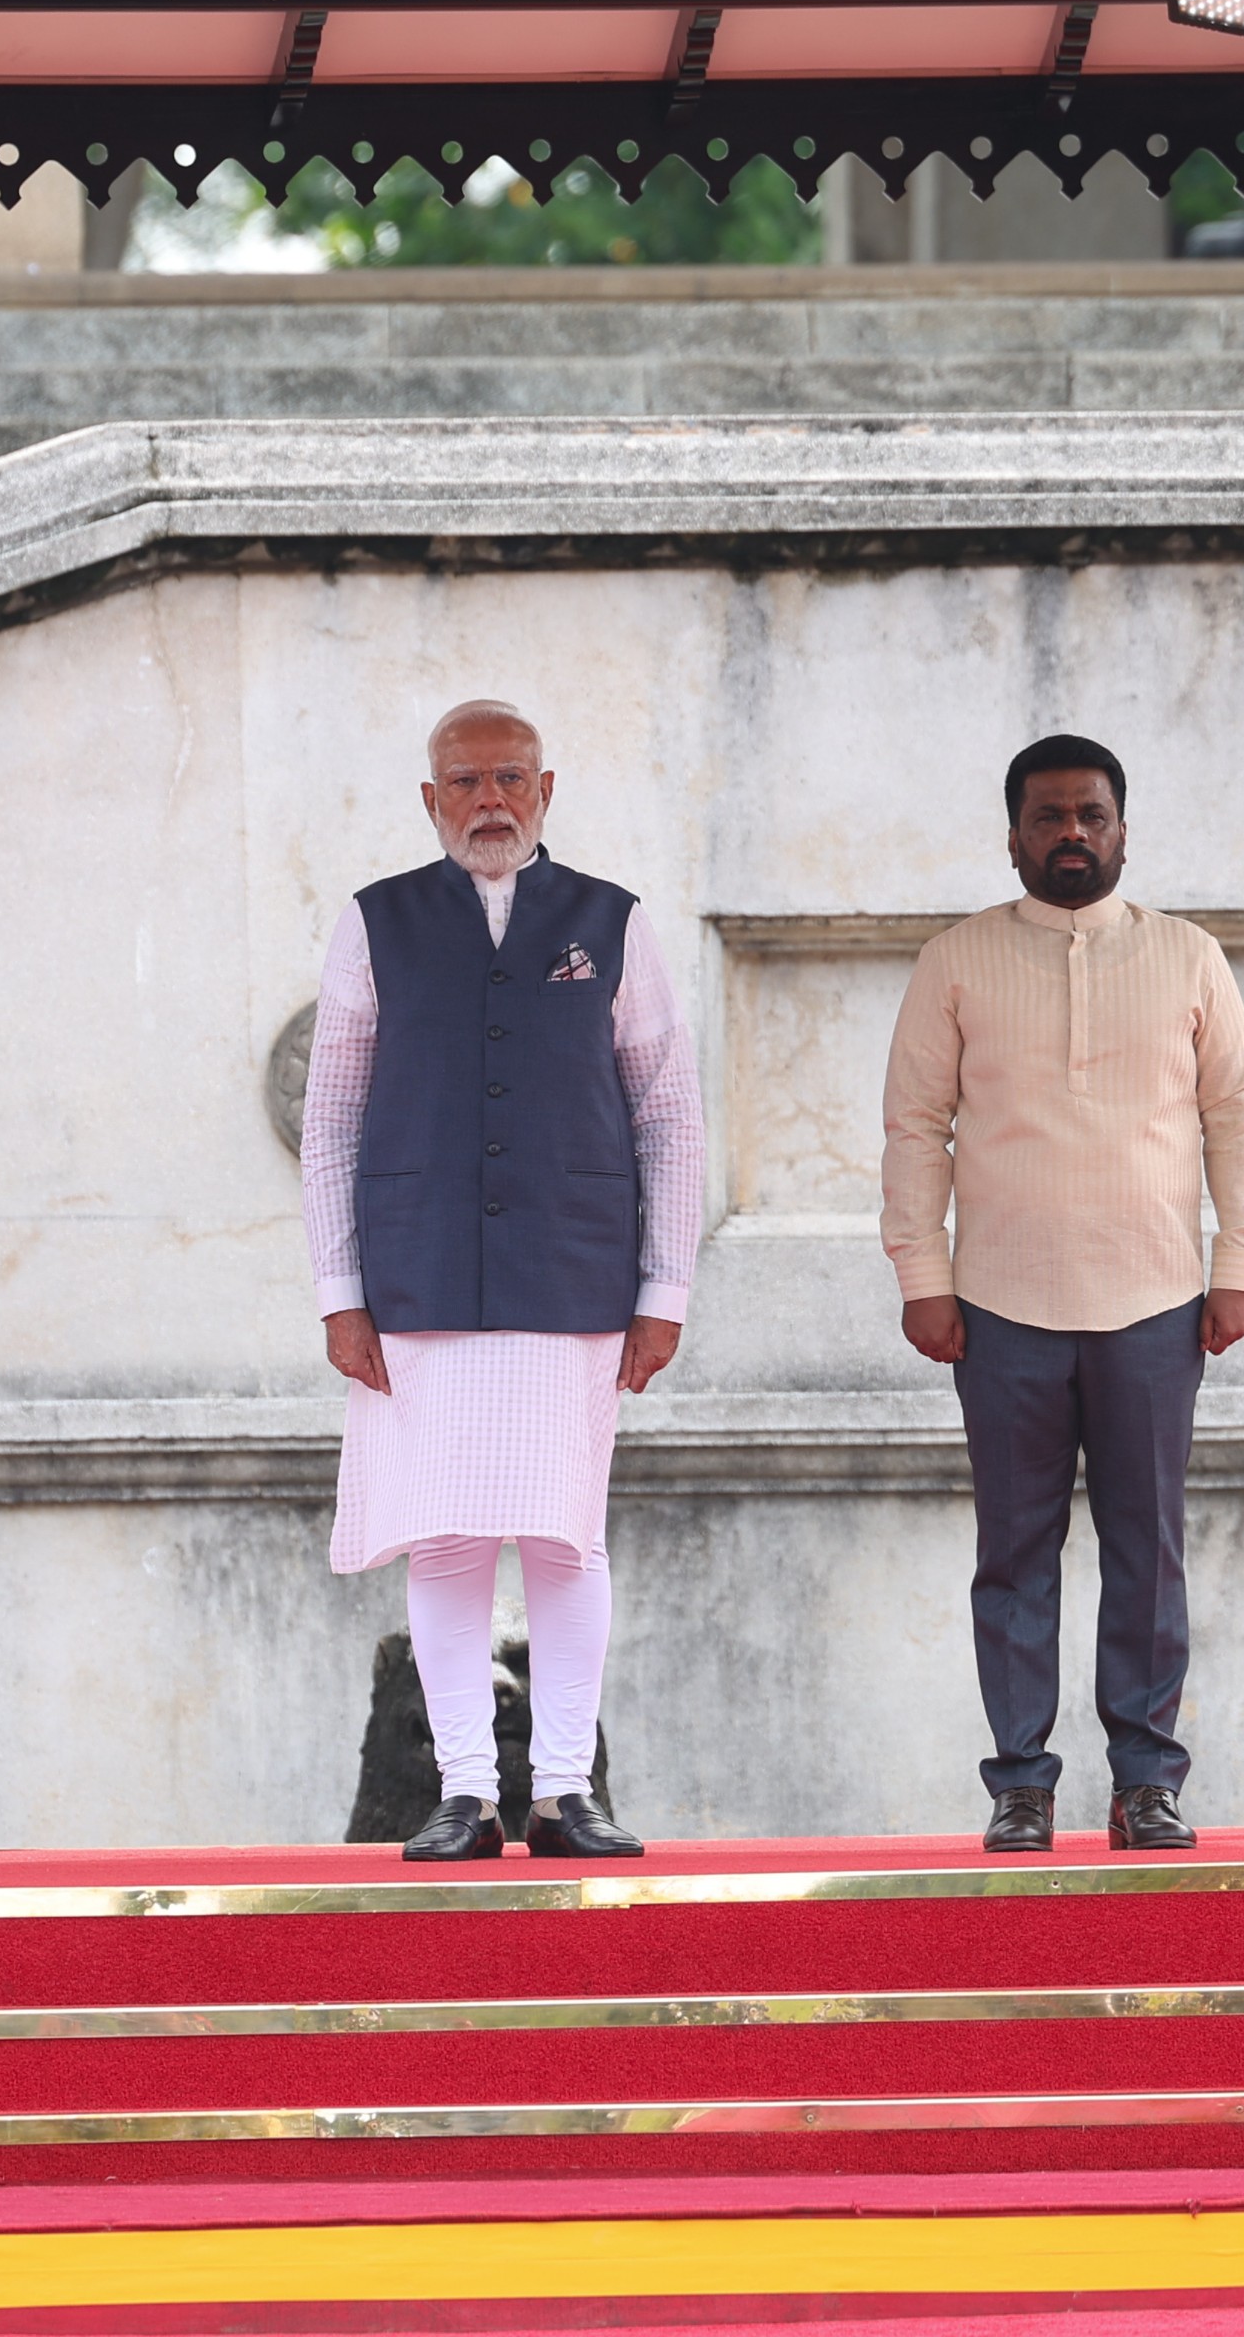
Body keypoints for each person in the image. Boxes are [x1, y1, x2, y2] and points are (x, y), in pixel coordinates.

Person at [301, 700, 704, 1864]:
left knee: (568, 1539)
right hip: (418, 1276)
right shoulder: (376, 922)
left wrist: (664, 1289)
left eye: (511, 778)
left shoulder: (610, 922)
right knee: (444, 1540)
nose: (491, 800)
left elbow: (669, 1112)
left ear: (545, 789)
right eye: (467, 781)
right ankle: (467, 1792)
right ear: (431, 799)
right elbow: (330, 1118)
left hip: (572, 1272)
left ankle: (563, 1790)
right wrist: (339, 1289)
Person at [881, 735, 1244, 1856]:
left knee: (1148, 1551)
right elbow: (914, 1127)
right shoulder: (955, 960)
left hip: (1156, 1299)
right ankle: (1021, 1783)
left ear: (1122, 830)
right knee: (1015, 1553)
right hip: (999, 1305)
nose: (1070, 834)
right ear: (1013, 835)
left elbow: (1237, 1116)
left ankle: (1146, 1780)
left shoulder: (1189, 956)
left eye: (1090, 815)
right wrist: (922, 1275)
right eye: (1048, 816)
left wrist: (1239, 1265)